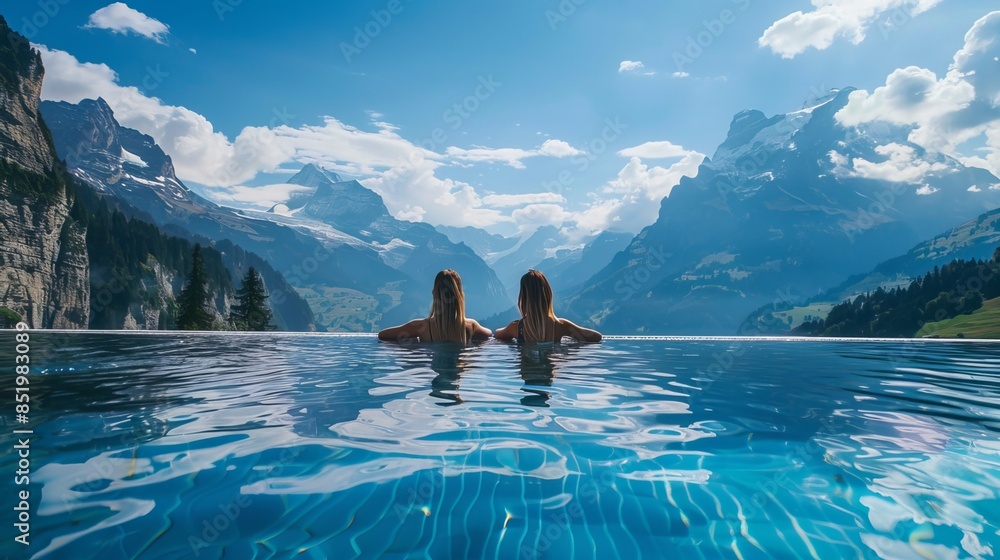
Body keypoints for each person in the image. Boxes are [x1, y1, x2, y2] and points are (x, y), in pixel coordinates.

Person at [378, 269, 491, 344]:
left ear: (434, 293)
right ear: (460, 296)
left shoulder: (421, 327)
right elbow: (490, 334)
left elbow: (383, 335)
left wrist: (414, 346)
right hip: (459, 372)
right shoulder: (470, 325)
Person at [494, 270, 602, 343]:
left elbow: (497, 334)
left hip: (528, 373)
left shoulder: (516, 328)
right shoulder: (561, 325)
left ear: (523, 298)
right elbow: (597, 337)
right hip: (549, 373)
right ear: (548, 295)